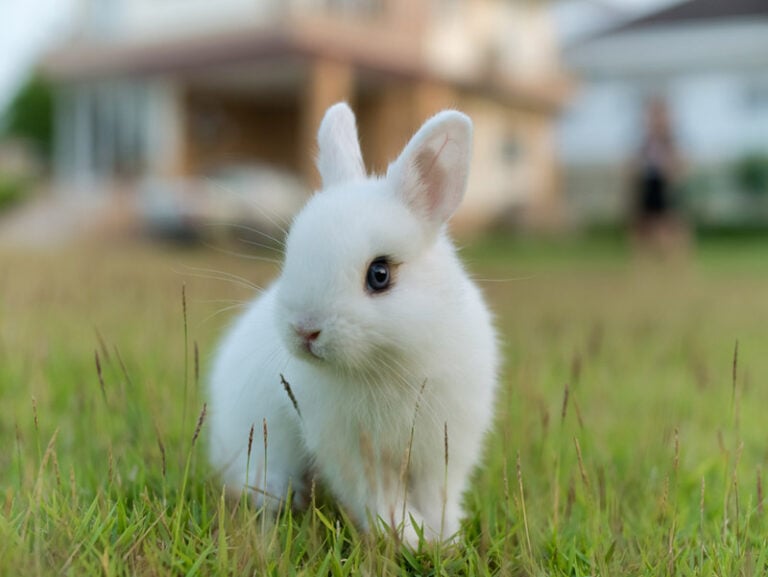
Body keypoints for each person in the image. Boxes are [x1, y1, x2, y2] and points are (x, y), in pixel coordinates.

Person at [631, 96, 688, 256]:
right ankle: (648, 257)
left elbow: (680, 162)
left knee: (670, 222)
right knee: (644, 223)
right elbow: (638, 161)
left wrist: (674, 173)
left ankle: (673, 255)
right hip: (649, 181)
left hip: (665, 183)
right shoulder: (647, 140)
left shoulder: (670, 139)